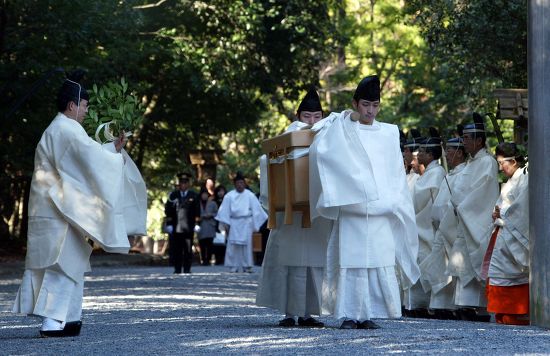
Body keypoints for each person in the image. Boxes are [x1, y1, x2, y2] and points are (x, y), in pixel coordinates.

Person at [12, 71, 147, 337]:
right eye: (84, 105)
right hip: (57, 210)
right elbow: (89, 160)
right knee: (62, 263)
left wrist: (112, 149)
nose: (86, 110)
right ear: (72, 105)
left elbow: (87, 156)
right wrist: (113, 154)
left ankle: (70, 318)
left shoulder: (62, 128)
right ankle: (52, 321)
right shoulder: (64, 128)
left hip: (56, 209)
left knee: (72, 261)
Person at [309, 75, 420, 329]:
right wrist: (343, 119)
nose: (370, 110)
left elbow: (395, 169)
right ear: (356, 104)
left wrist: (395, 200)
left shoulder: (389, 132)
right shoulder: (342, 127)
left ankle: (369, 313)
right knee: (352, 262)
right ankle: (348, 313)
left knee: (376, 261)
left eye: (375, 105)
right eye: (366, 105)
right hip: (353, 205)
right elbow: (318, 142)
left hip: (382, 206)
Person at [256, 88, 332, 328]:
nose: (311, 121)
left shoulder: (328, 138)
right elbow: (268, 164)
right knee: (289, 263)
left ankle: (309, 312)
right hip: (290, 214)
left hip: (316, 212)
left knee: (313, 263)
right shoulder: (286, 139)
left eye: (317, 116)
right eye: (307, 116)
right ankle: (290, 312)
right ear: (297, 115)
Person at [447, 113, 499, 321]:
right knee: (463, 259)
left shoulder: (488, 162)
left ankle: (480, 307)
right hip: (464, 218)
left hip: (475, 218)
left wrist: (463, 207)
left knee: (475, 258)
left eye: (467, 138)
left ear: (479, 140)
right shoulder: (471, 162)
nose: (464, 142)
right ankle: (465, 304)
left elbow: (482, 193)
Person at [419, 131, 466, 319]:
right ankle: (439, 305)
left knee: (446, 266)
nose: (446, 154)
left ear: (460, 153)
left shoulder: (455, 172)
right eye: (445, 150)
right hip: (438, 225)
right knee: (437, 265)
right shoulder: (451, 173)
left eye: (450, 150)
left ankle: (449, 306)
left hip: (448, 226)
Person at [482, 143, 529, 325]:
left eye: (503, 163)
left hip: (513, 233)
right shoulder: (512, 180)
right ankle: (502, 312)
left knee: (511, 272)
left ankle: (517, 313)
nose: (500, 167)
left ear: (514, 161)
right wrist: (498, 213)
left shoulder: (525, 178)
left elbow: (522, 209)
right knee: (499, 272)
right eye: (499, 163)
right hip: (503, 232)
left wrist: (502, 213)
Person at [404, 129, 446, 317]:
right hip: (419, 227)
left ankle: (429, 304)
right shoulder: (427, 174)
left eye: (421, 151)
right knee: (418, 264)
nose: (417, 155)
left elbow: (437, 204)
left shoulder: (437, 173)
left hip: (429, 228)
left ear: (430, 155)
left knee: (428, 264)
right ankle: (417, 305)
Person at [215, 172, 267, 273]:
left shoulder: (250, 195)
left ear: (244, 184)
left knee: (247, 245)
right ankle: (233, 266)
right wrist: (226, 225)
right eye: (238, 183)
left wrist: (254, 225)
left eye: (241, 183)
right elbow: (224, 212)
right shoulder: (229, 196)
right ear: (235, 184)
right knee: (233, 245)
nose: (240, 185)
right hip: (234, 222)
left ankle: (247, 266)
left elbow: (257, 210)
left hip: (246, 222)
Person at [165, 174, 200, 274]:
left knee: (188, 249)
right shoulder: (173, 195)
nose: (183, 184)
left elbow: (197, 210)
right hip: (177, 226)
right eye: (181, 182)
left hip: (189, 226)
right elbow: (168, 210)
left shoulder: (193, 195)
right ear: (179, 184)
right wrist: (169, 223)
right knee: (177, 249)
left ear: (188, 184)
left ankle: (187, 268)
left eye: (185, 182)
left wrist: (197, 223)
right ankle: (177, 268)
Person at [198, 188, 218, 266]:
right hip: (201, 225)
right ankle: (203, 259)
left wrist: (211, 215)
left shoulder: (213, 203)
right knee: (202, 244)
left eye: (206, 194)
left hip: (210, 225)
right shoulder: (197, 203)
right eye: (203, 194)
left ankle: (209, 259)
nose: (204, 196)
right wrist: (201, 216)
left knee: (210, 244)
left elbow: (217, 213)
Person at [212, 185, 227, 265]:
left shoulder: (227, 201)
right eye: (219, 191)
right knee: (217, 242)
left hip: (225, 223)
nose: (220, 193)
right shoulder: (213, 201)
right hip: (215, 223)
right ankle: (217, 259)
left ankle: (224, 259)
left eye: (222, 191)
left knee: (225, 241)